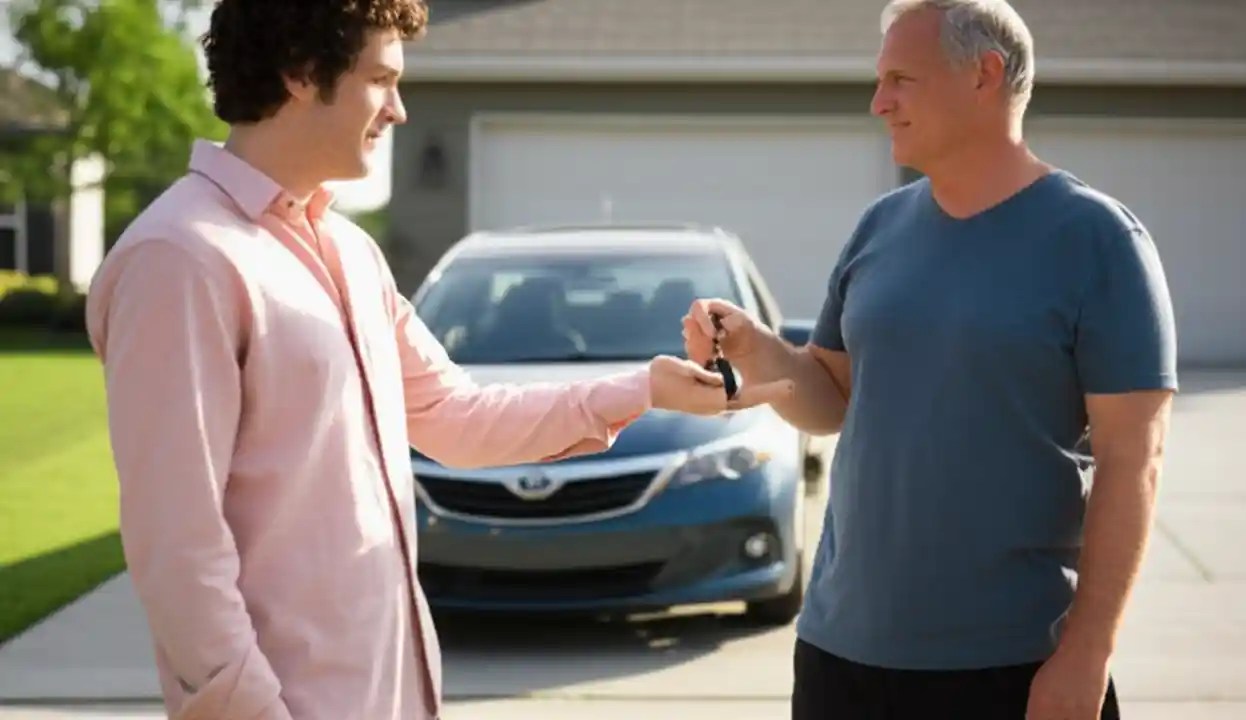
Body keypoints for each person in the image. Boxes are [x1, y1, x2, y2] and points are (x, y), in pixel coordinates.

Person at [84, 2, 792, 719]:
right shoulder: (179, 259)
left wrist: (645, 388)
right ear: (300, 72)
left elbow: (459, 417)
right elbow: (177, 546)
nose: (397, 110)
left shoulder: (349, 252)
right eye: (381, 80)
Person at [683, 1, 1177, 718]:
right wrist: (754, 347)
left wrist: (1087, 651)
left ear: (984, 74)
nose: (879, 102)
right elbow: (830, 399)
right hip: (840, 656)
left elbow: (1135, 463)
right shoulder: (879, 227)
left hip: (1012, 663)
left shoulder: (1098, 241)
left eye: (901, 79)